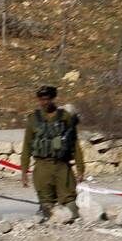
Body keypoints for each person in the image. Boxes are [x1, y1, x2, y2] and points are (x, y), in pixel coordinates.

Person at [20, 85, 85, 219]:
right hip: (42, 167)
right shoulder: (33, 119)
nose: (45, 102)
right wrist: (24, 172)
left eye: (47, 99)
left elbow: (75, 144)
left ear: (53, 98)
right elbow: (26, 146)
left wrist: (80, 168)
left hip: (62, 166)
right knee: (46, 204)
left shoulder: (65, 117)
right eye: (42, 99)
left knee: (70, 201)